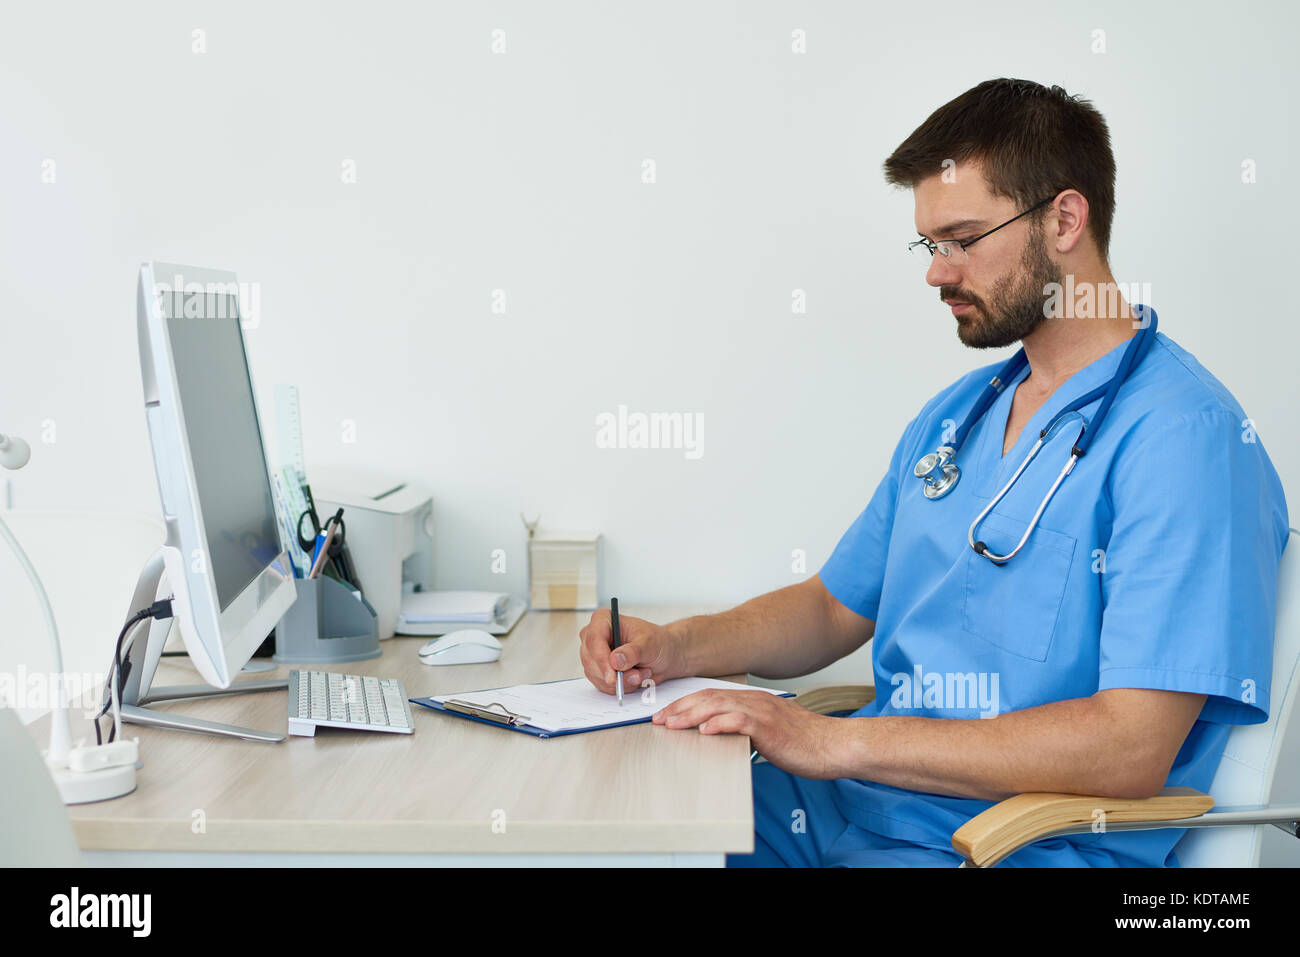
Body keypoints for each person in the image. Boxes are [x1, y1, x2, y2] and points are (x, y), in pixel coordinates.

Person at [577, 78, 1291, 867]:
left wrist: (834, 741)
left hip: (1000, 843)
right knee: (619, 825)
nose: (937, 272)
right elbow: (831, 606)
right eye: (930, 245)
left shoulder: (1185, 441)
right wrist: (678, 646)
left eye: (963, 239)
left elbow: (1131, 746)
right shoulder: (961, 414)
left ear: (1064, 218)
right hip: (853, 805)